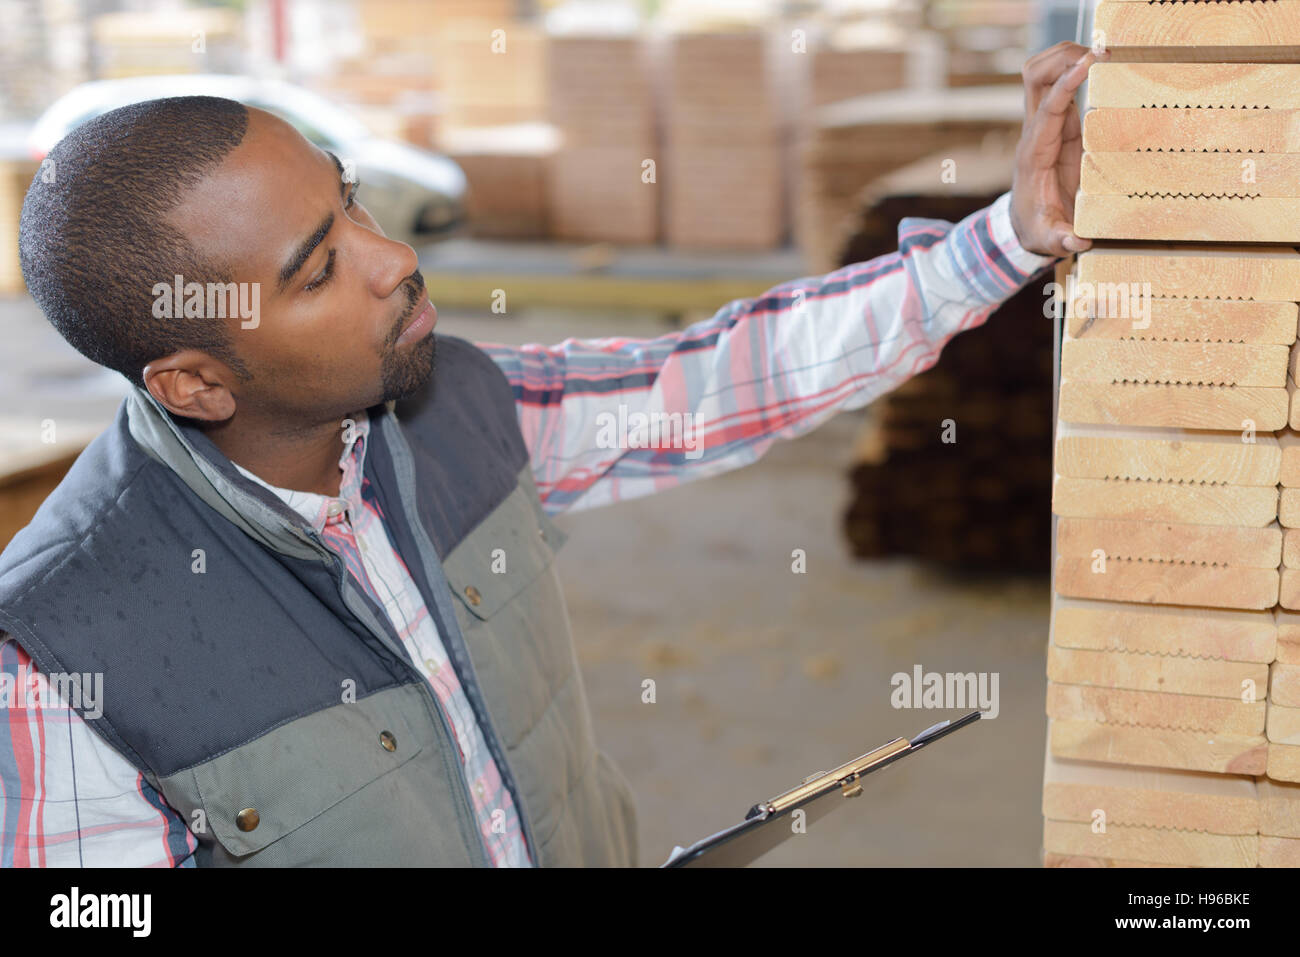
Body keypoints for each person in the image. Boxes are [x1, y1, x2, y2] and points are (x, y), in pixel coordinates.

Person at [0, 43, 1100, 867]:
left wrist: (997, 240)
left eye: (353, 204)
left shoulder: (455, 408)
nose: (394, 262)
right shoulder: (58, 659)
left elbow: (717, 384)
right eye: (318, 272)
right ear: (195, 381)